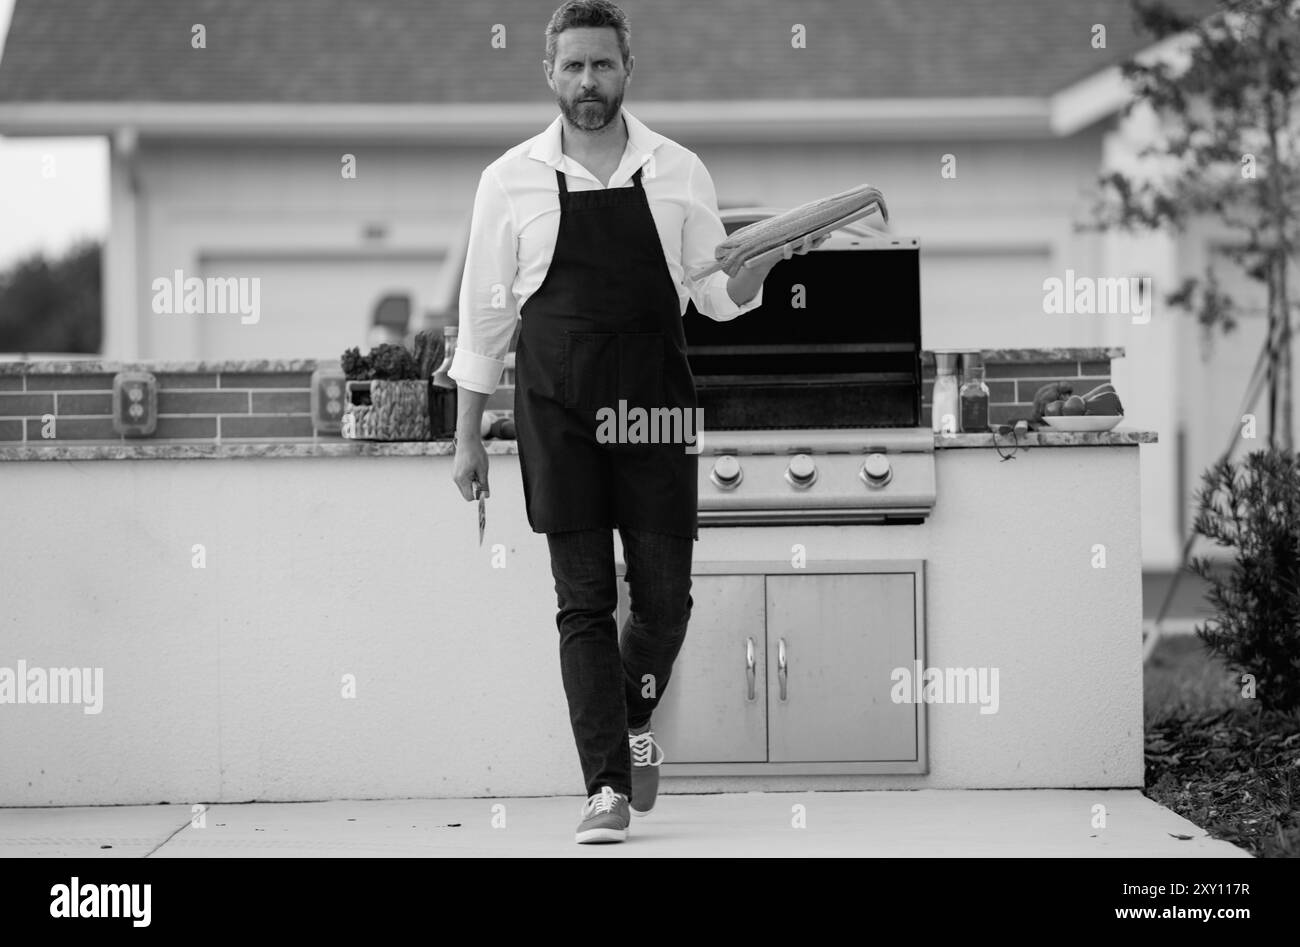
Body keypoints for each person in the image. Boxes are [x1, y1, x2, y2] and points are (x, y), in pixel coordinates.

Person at [449, 0, 824, 844]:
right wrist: (468, 434)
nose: (589, 82)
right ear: (549, 72)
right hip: (557, 413)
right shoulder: (507, 179)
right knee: (582, 603)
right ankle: (606, 787)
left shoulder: (679, 171)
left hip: (654, 406)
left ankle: (629, 712)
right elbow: (484, 317)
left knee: (663, 603)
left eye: (603, 65)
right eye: (574, 66)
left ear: (628, 69)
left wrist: (760, 264)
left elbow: (715, 296)